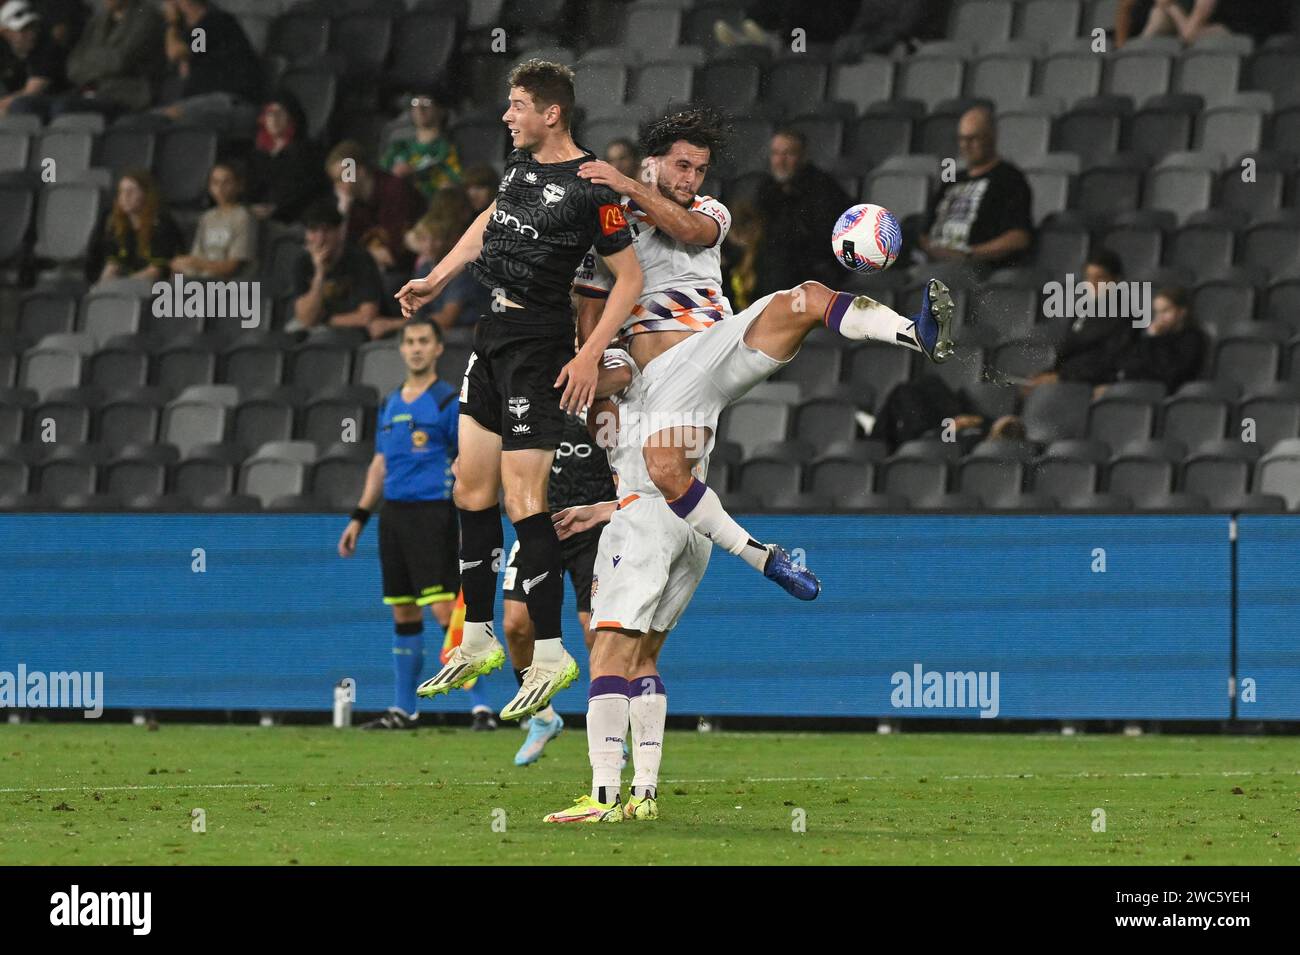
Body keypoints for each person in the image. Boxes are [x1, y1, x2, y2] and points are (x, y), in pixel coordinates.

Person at [572, 108, 952, 597]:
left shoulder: (711, 212)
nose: (692, 179)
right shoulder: (608, 233)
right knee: (666, 470)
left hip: (717, 345)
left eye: (700, 169)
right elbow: (589, 317)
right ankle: (764, 558)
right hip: (661, 380)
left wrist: (626, 184)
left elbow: (688, 230)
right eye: (682, 166)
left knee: (808, 296)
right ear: (653, 164)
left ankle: (916, 333)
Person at [397, 59, 643, 723]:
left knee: (522, 499)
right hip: (490, 339)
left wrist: (590, 353)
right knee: (468, 489)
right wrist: (439, 277)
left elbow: (629, 280)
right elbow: (490, 221)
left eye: (517, 105)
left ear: (551, 112)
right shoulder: (518, 168)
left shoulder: (593, 186)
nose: (508, 116)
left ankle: (554, 651)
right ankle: (477, 632)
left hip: (538, 349)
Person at [541, 372, 710, 823]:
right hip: (692, 519)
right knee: (643, 659)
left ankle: (603, 796)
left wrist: (575, 367)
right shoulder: (692, 374)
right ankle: (645, 791)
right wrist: (602, 509)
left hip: (647, 524)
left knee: (608, 655)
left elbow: (615, 374)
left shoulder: (620, 355)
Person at [337, 317, 497, 731]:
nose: (416, 348)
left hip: (433, 515)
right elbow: (380, 462)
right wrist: (359, 516)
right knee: (403, 613)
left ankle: (480, 707)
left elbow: (467, 458)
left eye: (424, 340)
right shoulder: (390, 403)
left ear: (438, 348)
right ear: (402, 349)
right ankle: (404, 709)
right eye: (409, 341)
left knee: (446, 611)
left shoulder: (446, 403)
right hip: (393, 516)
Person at [504, 406, 615, 766]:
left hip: (592, 531)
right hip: (539, 525)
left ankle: (608, 730)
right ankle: (542, 717)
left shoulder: (609, 393)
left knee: (594, 630)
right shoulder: (533, 393)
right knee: (516, 625)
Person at [919, 106, 1034, 276]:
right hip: (933, 260)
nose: (965, 145)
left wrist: (970, 253)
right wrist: (931, 248)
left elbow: (1019, 238)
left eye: (973, 139)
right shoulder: (952, 178)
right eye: (961, 139)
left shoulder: (1010, 178)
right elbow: (926, 229)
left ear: (991, 137)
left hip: (977, 267)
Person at [752, 128, 851, 296]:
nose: (780, 161)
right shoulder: (767, 187)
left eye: (788, 154)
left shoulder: (824, 188)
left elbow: (823, 239)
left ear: (803, 157)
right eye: (776, 153)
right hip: (774, 264)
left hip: (813, 268)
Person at [1023, 249, 1135, 396]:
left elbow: (1108, 361)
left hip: (1090, 384)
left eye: (1100, 279)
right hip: (1068, 379)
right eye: (1089, 278)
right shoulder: (1083, 309)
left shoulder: (1124, 315)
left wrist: (1061, 377)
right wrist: (1046, 374)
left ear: (1116, 280)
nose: (1092, 284)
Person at [327, 139, 426, 280]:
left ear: (360, 171)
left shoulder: (394, 191)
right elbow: (338, 256)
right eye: (335, 181)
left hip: (411, 271)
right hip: (378, 271)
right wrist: (343, 213)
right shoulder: (352, 204)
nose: (338, 187)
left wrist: (359, 255)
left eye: (342, 178)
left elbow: (393, 257)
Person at [157, 0, 260, 132]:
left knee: (159, 121)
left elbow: (175, 52)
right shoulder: (193, 32)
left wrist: (171, 22)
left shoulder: (213, 21)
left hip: (230, 101)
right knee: (140, 123)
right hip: (204, 103)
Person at [288, 198, 385, 335]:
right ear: (306, 235)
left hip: (351, 331)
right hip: (316, 328)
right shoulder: (302, 263)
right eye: (314, 231)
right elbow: (305, 319)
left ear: (339, 232)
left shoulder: (361, 259)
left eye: (326, 230)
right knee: (292, 333)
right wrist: (319, 273)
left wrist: (325, 320)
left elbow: (367, 317)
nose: (321, 239)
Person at [248, 91, 328, 224]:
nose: (273, 118)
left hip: (295, 219)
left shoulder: (308, 152)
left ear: (291, 117)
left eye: (279, 113)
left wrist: (277, 208)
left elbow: (307, 191)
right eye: (269, 113)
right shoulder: (258, 155)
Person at [403, 210, 491, 331]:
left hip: (464, 332)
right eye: (424, 239)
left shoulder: (461, 270)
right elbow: (414, 312)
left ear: (449, 241)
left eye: (436, 239)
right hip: (431, 330)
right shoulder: (424, 268)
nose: (430, 245)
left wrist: (395, 324)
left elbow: (447, 319)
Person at [169, 160, 257, 281]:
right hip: (202, 281)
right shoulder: (207, 217)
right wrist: (182, 265)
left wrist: (196, 263)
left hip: (231, 285)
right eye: (215, 182)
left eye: (226, 182)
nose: (220, 188)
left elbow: (232, 267)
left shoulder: (243, 217)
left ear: (239, 185)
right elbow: (197, 255)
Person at [1111, 286, 1206, 394]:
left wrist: (1156, 338)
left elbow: (1171, 372)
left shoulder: (1193, 339)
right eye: (1157, 312)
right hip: (1141, 391)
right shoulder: (1153, 337)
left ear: (1182, 312)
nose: (1159, 317)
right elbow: (1132, 365)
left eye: (1165, 311)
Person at [96, 169, 182, 284]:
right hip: (129, 283)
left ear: (146, 194)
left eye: (132, 191)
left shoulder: (162, 225)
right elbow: (113, 264)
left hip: (158, 287)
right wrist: (102, 287)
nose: (125, 196)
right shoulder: (116, 223)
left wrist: (122, 285)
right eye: (122, 191)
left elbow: (156, 271)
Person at [381, 89, 462, 200]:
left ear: (441, 110)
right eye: (415, 103)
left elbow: (455, 181)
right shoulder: (399, 147)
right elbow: (379, 178)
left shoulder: (448, 149)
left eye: (426, 103)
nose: (419, 109)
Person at [1120, 0, 1290, 47]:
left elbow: (1189, 35)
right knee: (1158, 15)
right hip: (1224, 21)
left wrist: (1171, 7)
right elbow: (1125, 8)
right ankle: (1132, 56)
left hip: (1246, 29)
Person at [0, 0, 65, 116]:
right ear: (6, 33)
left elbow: (31, 93)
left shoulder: (47, 48)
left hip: (46, 108)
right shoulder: (3, 49)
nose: (31, 34)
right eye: (23, 30)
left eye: (33, 27)